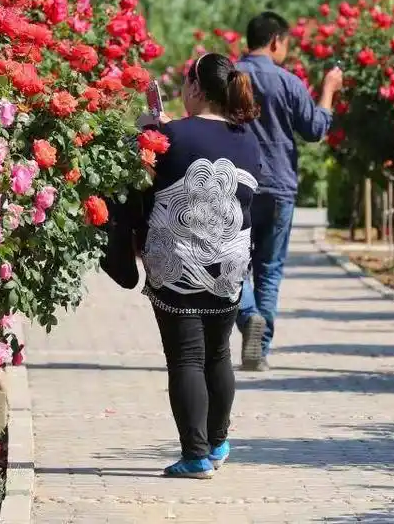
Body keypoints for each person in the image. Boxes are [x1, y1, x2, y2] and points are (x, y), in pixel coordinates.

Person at [136, 53, 262, 479]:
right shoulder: (247, 137)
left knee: (185, 358)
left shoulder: (167, 135)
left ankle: (195, 456)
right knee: (217, 353)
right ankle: (219, 442)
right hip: (229, 262)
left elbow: (144, 184)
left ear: (194, 88)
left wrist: (150, 128)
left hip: (177, 262)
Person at [234, 12, 344, 371]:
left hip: (234, 184)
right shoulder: (288, 82)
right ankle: (260, 350)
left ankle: (248, 316)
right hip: (278, 187)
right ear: (276, 41)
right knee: (270, 268)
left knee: (230, 264)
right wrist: (328, 91)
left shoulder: (228, 79)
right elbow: (314, 129)